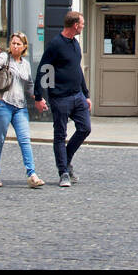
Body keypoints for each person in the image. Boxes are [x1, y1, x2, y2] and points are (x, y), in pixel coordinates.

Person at [33, 11, 91, 188]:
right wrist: (38, 96)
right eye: (81, 23)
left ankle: (65, 159)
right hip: (60, 98)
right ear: (75, 25)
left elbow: (77, 70)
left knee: (85, 128)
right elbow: (43, 69)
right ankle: (63, 173)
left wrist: (86, 94)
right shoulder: (56, 45)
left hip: (77, 96)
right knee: (60, 135)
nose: (83, 26)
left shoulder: (75, 44)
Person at [0, 33, 44, 188]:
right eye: (13, 43)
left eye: (19, 44)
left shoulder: (25, 64)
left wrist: (38, 99)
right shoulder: (3, 57)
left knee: (25, 140)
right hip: (1, 104)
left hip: (20, 107)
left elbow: (29, 85)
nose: (15, 46)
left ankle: (32, 174)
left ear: (24, 46)